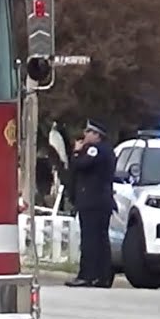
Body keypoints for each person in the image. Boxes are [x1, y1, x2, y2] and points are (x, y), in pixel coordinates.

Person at [66, 119, 117, 288]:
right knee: (101, 240)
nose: (85, 134)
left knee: (90, 240)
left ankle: (87, 275)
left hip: (92, 201)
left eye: (88, 131)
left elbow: (81, 165)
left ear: (97, 135)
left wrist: (77, 152)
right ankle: (102, 276)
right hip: (101, 201)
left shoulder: (94, 150)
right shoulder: (107, 150)